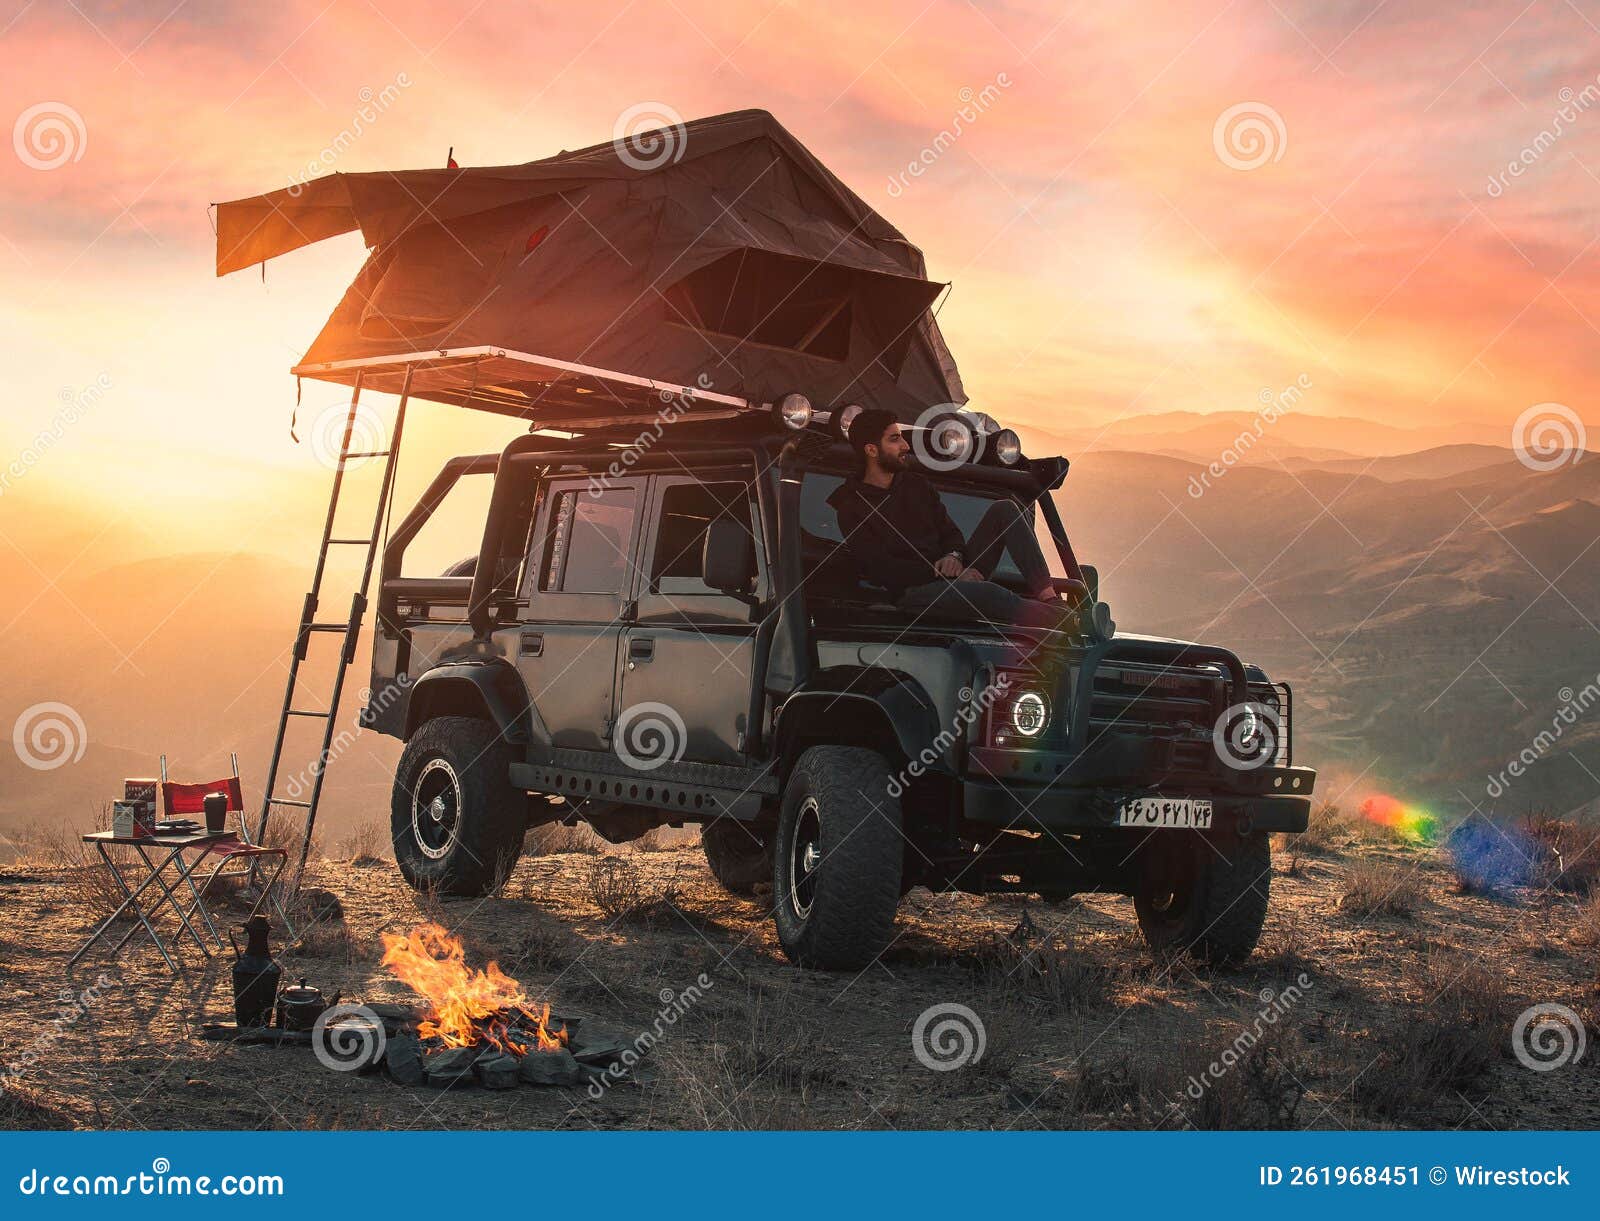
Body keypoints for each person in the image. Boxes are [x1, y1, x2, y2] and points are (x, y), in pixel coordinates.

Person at [826, 407, 1077, 633]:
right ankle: (1070, 623)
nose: (905, 445)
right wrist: (943, 576)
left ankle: (1049, 599)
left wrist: (955, 557)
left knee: (1006, 510)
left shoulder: (916, 485)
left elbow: (950, 533)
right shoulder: (851, 506)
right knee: (990, 594)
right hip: (911, 593)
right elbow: (882, 568)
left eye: (901, 436)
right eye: (894, 439)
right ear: (871, 450)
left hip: (953, 577)